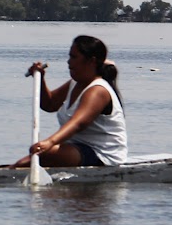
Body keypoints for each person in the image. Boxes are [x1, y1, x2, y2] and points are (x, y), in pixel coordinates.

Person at [15, 34, 127, 168]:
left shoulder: (98, 90)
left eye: (74, 57)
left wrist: (50, 142)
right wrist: (40, 79)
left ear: (91, 61)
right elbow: (49, 104)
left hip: (103, 154)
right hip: (75, 148)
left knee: (43, 154)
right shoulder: (75, 83)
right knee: (27, 162)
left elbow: (78, 123)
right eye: (69, 56)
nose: (68, 62)